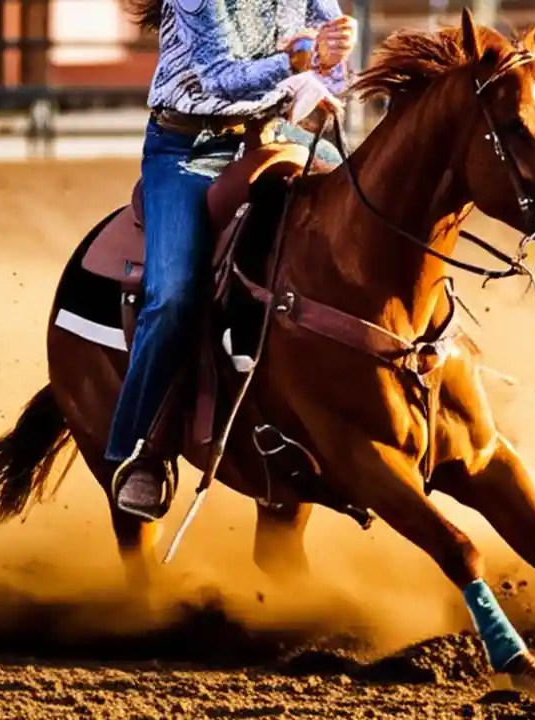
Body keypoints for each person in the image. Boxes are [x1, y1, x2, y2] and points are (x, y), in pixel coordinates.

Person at [108, 0, 358, 520]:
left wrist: (335, 57)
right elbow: (221, 78)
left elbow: (333, 78)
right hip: (186, 149)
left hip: (274, 135)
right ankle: (140, 450)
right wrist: (296, 62)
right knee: (173, 294)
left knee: (362, 221)